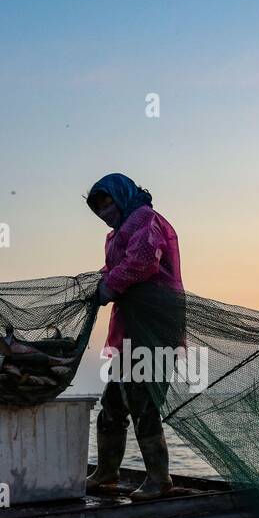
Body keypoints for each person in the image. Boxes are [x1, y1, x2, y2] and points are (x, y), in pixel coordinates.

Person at [84, 173, 184, 500]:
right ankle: (106, 472)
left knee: (142, 399)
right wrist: (98, 282)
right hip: (131, 326)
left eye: (107, 203)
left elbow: (142, 262)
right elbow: (116, 267)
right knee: (113, 401)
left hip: (155, 326)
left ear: (122, 195)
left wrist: (110, 285)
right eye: (98, 209)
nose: (105, 213)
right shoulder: (117, 233)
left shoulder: (146, 219)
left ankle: (159, 478)